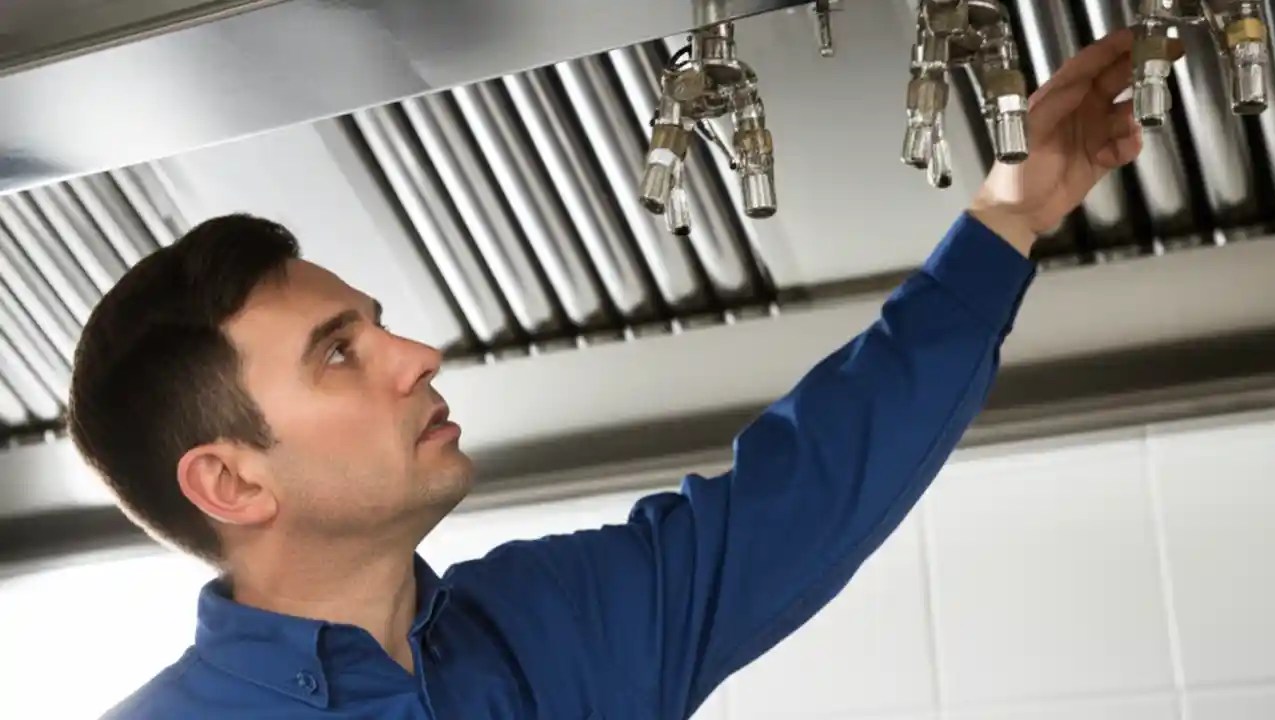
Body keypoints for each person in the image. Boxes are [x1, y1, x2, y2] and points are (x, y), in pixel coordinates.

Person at [68, 27, 1145, 720]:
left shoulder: (551, 624)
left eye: (376, 327)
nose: (416, 357)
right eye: (339, 354)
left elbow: (804, 492)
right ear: (232, 482)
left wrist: (1009, 217)